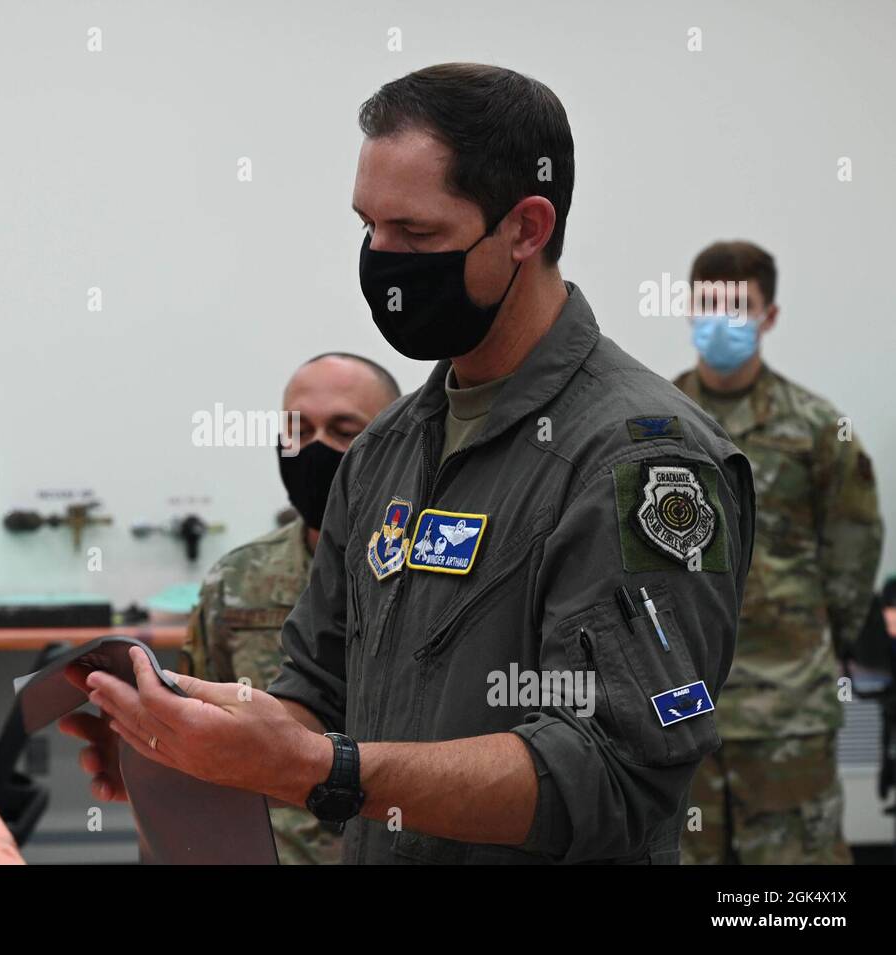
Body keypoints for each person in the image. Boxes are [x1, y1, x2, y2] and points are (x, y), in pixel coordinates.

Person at [61, 63, 756, 864]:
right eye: (369, 227)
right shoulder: (387, 448)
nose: (382, 262)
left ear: (527, 228)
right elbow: (318, 694)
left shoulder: (636, 457)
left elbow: (614, 769)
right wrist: (182, 731)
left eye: (416, 234)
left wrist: (327, 769)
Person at [674, 240, 883, 864]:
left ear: (769, 317)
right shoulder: (651, 418)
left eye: (739, 306)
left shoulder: (817, 428)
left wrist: (813, 645)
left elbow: (852, 556)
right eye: (709, 304)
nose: (721, 321)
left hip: (787, 707)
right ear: (687, 308)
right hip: (679, 704)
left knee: (797, 888)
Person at [183, 352, 399, 863]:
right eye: (298, 430)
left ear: (394, 440)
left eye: (344, 430)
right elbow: (203, 746)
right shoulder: (237, 581)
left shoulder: (435, 569)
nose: (315, 448)